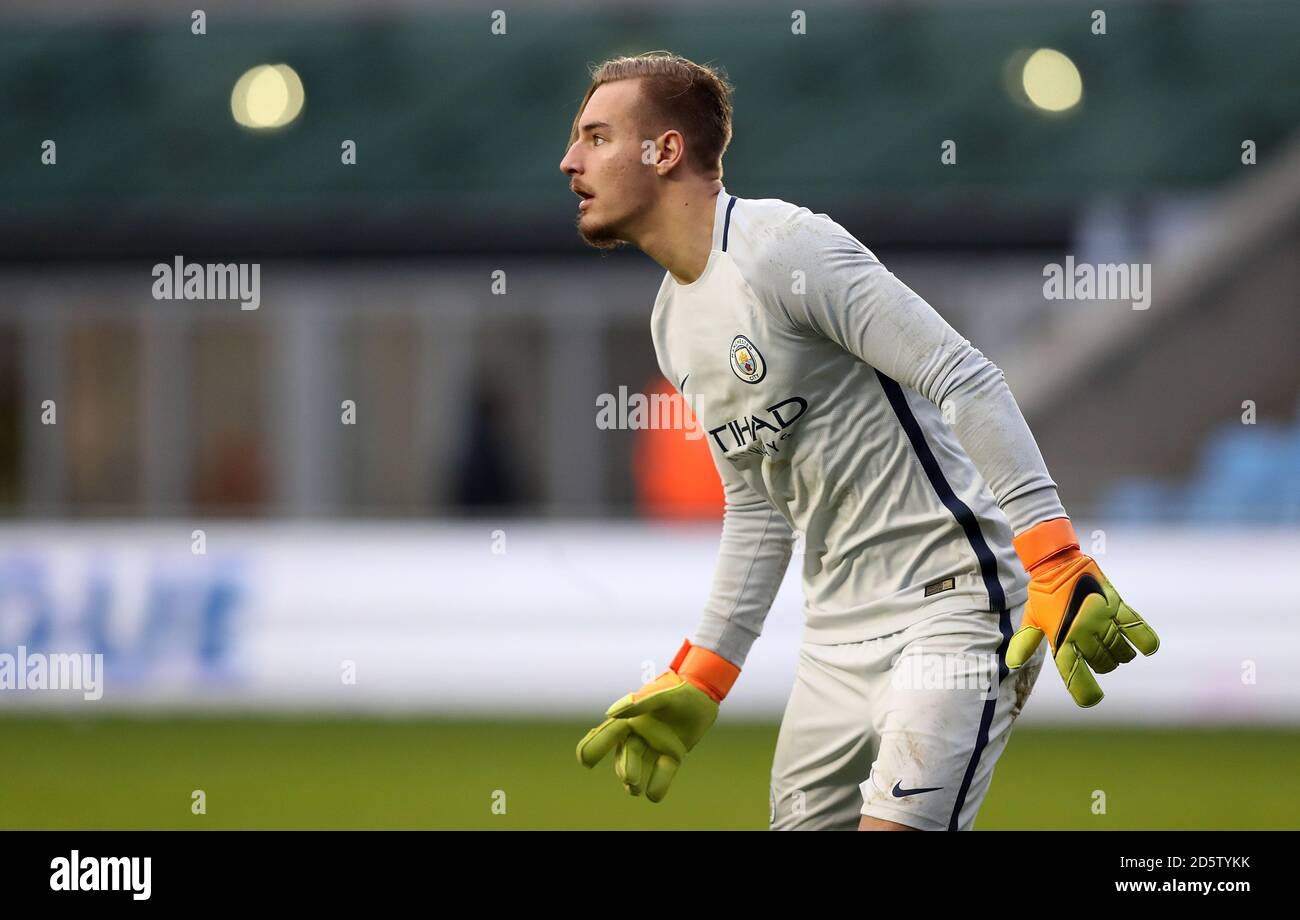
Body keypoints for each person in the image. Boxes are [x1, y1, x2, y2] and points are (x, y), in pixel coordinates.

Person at [562, 51, 1159, 830]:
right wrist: (705, 672)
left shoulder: (785, 249)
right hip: (833, 640)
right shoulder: (672, 324)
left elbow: (963, 376)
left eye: (596, 137)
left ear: (664, 151)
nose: (570, 161)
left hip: (952, 607)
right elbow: (757, 505)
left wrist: (1053, 554)